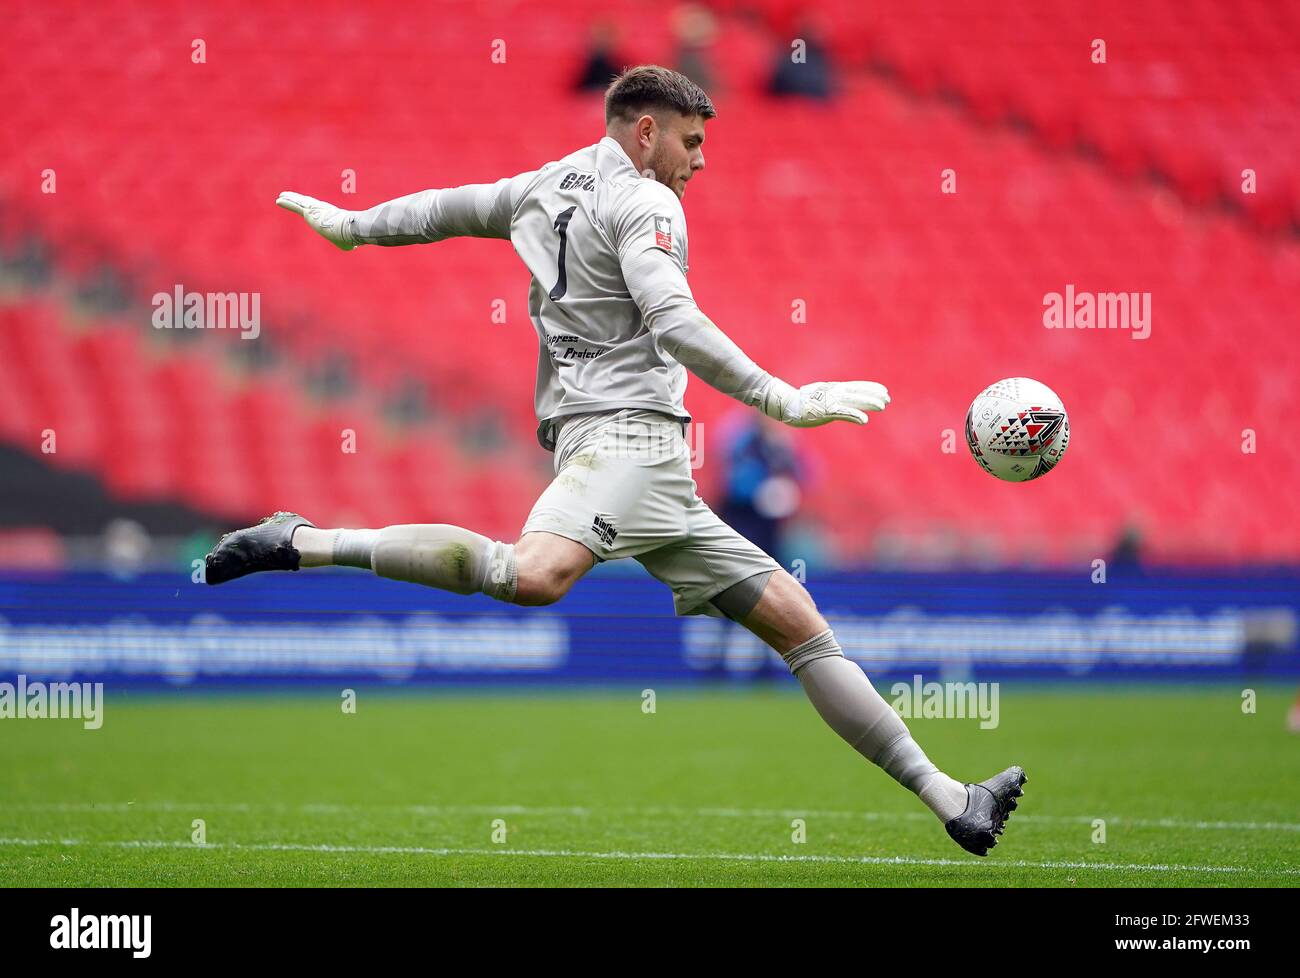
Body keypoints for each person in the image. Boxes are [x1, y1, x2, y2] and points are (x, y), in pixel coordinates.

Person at [207, 65, 1024, 855]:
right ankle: (303, 542)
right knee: (532, 576)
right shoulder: (646, 203)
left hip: (650, 469)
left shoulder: (542, 187)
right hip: (623, 448)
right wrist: (784, 398)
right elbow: (674, 320)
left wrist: (354, 227)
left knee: (803, 631)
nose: (701, 161)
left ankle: (953, 799)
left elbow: (441, 210)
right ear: (646, 132)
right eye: (692, 142)